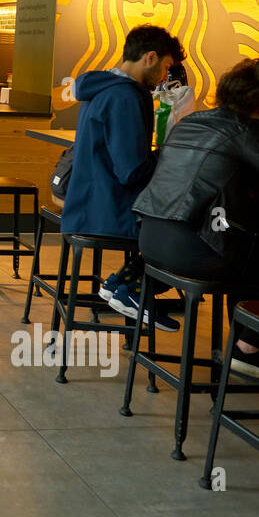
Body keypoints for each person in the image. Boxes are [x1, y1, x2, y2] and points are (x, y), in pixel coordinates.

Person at [133, 47, 259, 380]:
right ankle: (247, 349)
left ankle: (244, 347)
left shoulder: (190, 122)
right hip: (194, 249)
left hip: (151, 241)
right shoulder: (249, 129)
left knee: (256, 245)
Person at [61, 24, 184, 331]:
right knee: (185, 230)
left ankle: (124, 284)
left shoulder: (101, 87)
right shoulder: (127, 98)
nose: (166, 77)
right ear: (150, 57)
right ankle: (130, 288)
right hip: (110, 211)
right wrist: (168, 152)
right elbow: (131, 172)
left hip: (86, 204)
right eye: (167, 67)